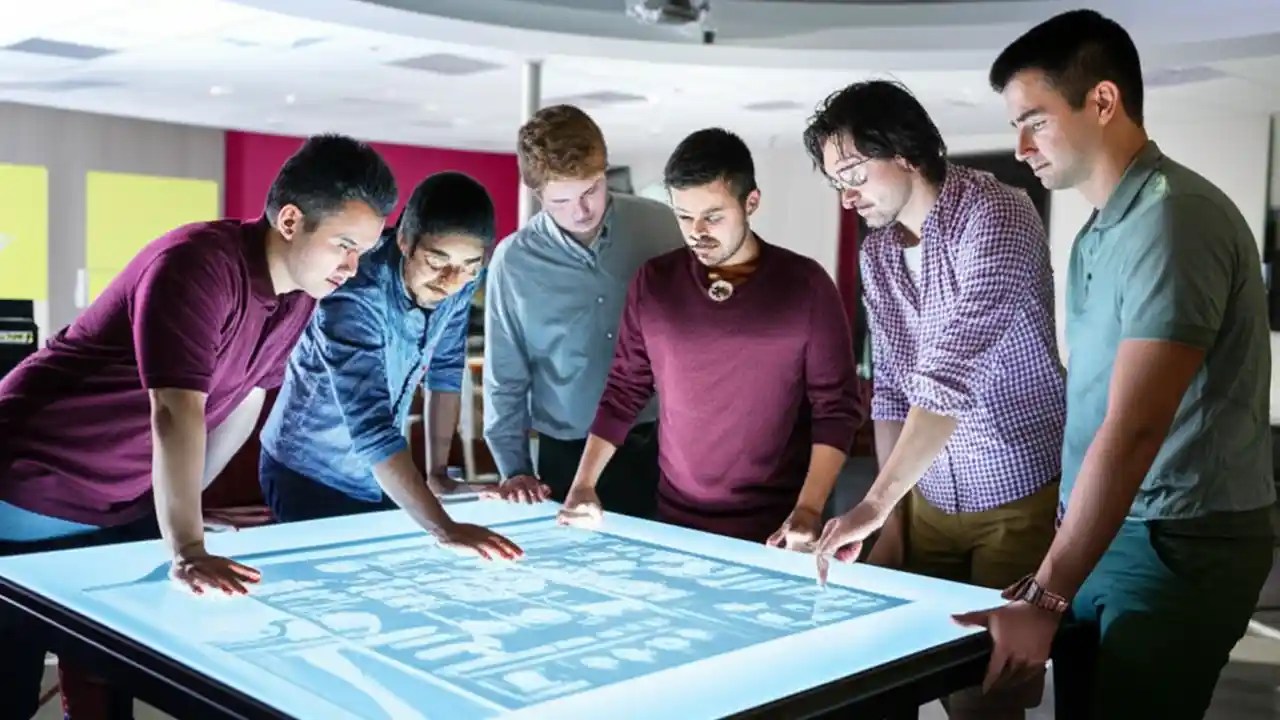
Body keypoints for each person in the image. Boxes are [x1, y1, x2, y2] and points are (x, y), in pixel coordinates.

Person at [0, 133, 397, 718]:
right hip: (33, 479)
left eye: (362, 250)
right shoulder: (197, 264)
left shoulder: (298, 296)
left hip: (121, 502)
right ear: (291, 220)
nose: (352, 265)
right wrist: (185, 543)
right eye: (343, 244)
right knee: (11, 683)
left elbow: (238, 402)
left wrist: (187, 508)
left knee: (111, 679)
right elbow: (176, 408)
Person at [961, 9, 1276, 719]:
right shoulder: (1101, 231)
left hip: (1176, 538)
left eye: (1034, 120)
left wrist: (1045, 591)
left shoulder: (1176, 217)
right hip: (1108, 525)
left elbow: (1134, 428)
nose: (1019, 147)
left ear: (1102, 101)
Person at [803, 80, 1065, 718]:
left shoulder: (997, 213)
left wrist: (871, 501)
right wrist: (891, 517)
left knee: (982, 696)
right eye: (838, 181)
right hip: (924, 496)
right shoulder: (881, 253)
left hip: (1013, 488)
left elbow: (949, 377)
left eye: (855, 173)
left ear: (907, 152)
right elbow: (892, 383)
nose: (847, 195)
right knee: (896, 670)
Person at [556, 127, 862, 547]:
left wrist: (809, 509)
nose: (697, 230)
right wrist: (584, 483)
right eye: (683, 216)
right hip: (673, 517)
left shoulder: (806, 286)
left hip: (779, 527)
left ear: (750, 202)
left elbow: (837, 409)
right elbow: (625, 389)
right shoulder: (654, 282)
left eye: (712, 216)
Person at [258, 171, 522, 561]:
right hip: (309, 469)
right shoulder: (353, 294)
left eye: (470, 266)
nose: (452, 280)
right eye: (437, 261)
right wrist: (445, 527)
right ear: (404, 241)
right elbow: (371, 428)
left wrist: (437, 474)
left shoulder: (462, 280)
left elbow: (446, 368)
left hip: (378, 471)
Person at [483, 104, 683, 517]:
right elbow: (506, 375)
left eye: (591, 190)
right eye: (561, 199)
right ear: (537, 194)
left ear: (605, 171)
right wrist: (514, 468)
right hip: (565, 453)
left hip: (663, 445)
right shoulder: (513, 262)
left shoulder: (661, 228)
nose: (581, 210)